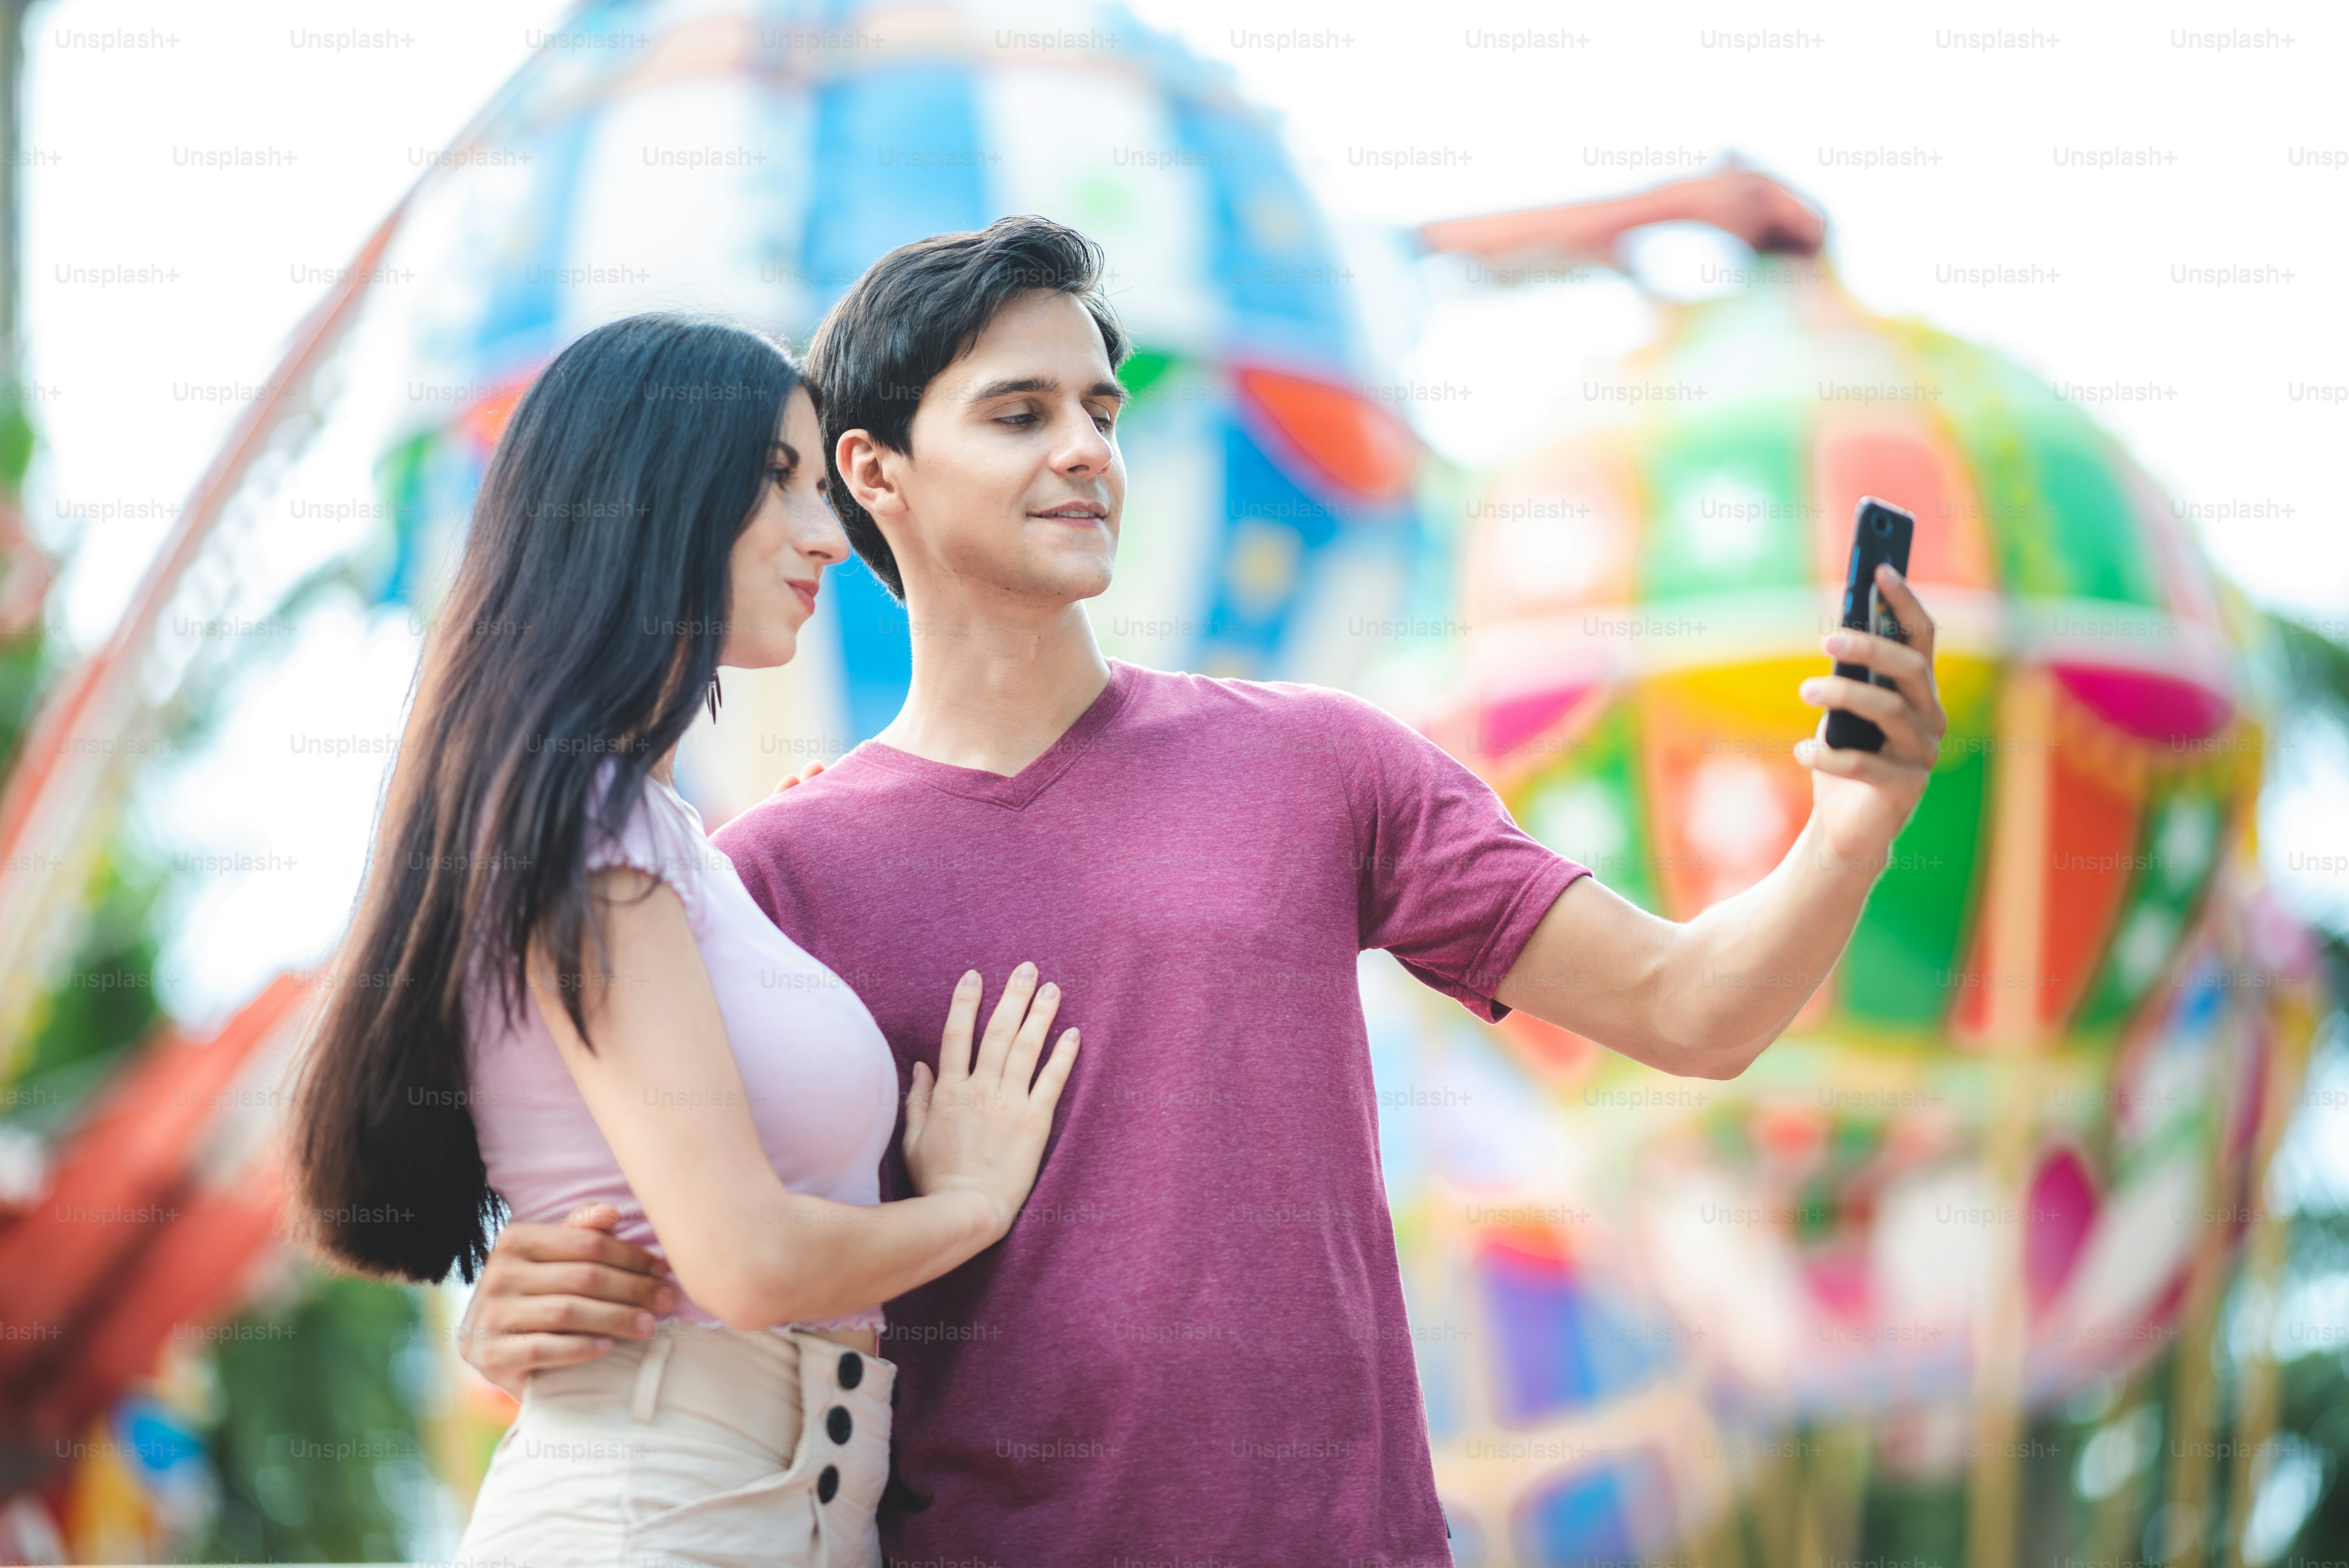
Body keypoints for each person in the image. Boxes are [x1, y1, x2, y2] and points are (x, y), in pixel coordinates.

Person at [460, 214, 1944, 1564]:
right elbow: (705, 1240)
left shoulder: (1324, 763)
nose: (1089, 451)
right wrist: (511, 1301)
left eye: (1102, 413)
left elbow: (1693, 1012)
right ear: (874, 474)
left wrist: (1851, 823)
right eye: (1021, 414)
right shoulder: (771, 883)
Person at [289, 313, 1078, 1567]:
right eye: (777, 482)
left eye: (823, 488)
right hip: (659, 1507)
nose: (827, 534)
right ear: (640, 498)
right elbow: (752, 1259)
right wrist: (973, 1204)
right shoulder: (591, 823)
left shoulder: (644, 832)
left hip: (763, 1502)